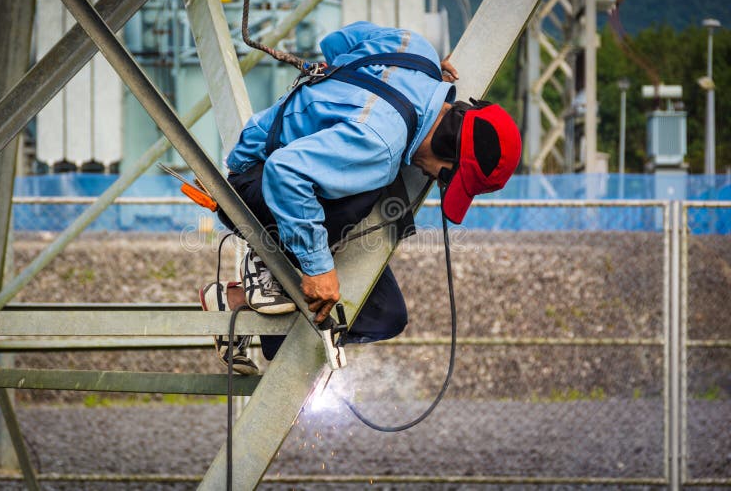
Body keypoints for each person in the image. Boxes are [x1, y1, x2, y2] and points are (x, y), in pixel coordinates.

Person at [200, 21, 521, 374]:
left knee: (386, 315)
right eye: (447, 178)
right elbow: (284, 173)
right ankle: (270, 261)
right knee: (373, 185)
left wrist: (351, 100)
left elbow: (335, 42)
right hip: (252, 186)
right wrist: (318, 268)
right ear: (447, 148)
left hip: (289, 179)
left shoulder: (415, 50)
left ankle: (238, 302)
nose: (434, 179)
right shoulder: (379, 146)